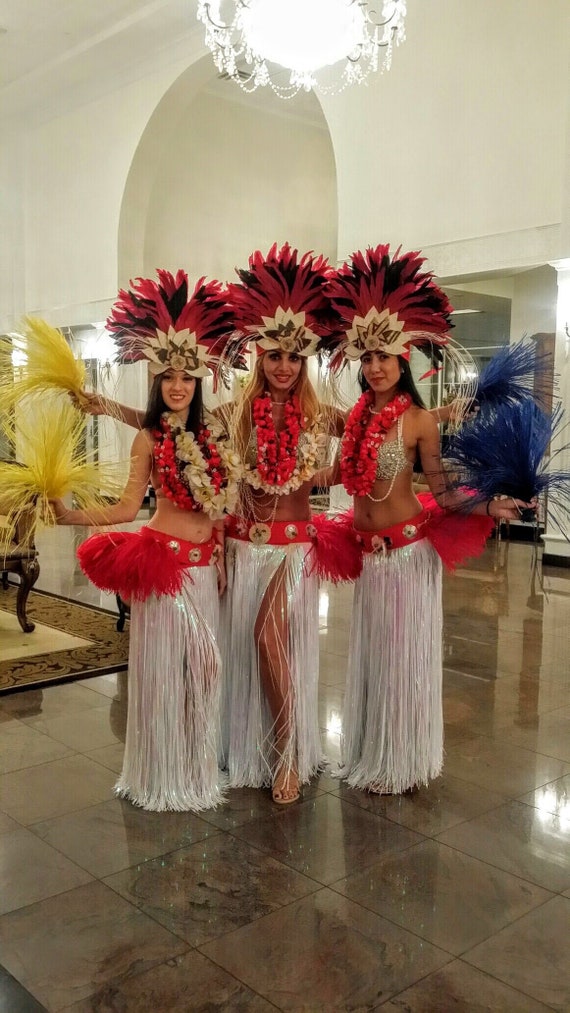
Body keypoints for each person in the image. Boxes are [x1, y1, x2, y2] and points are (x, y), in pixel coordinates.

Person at [325, 245, 536, 795]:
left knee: (400, 660)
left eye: (384, 357)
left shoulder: (418, 420)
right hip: (370, 559)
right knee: (372, 659)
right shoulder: (354, 419)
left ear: (404, 362)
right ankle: (373, 750)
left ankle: (400, 760)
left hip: (406, 555)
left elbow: (440, 491)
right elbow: (337, 475)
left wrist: (490, 505)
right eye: (366, 358)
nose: (374, 367)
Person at [51, 271, 240, 812]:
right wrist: (69, 517)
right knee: (164, 671)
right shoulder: (148, 438)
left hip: (205, 569)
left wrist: (222, 545)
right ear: (155, 383)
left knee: (204, 667)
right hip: (164, 565)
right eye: (166, 377)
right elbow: (128, 508)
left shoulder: (212, 436)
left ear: (199, 381)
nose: (177, 385)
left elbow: (218, 502)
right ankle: (161, 774)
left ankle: (195, 766)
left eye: (186, 376)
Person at [220, 243, 343, 804]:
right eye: (274, 355)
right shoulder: (236, 414)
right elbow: (171, 419)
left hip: (293, 553)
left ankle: (289, 753)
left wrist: (443, 415)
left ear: (306, 360)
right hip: (244, 550)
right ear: (258, 357)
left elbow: (378, 423)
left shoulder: (318, 414)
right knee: (258, 649)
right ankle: (256, 746)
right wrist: (106, 408)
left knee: (267, 637)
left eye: (294, 356)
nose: (284, 366)